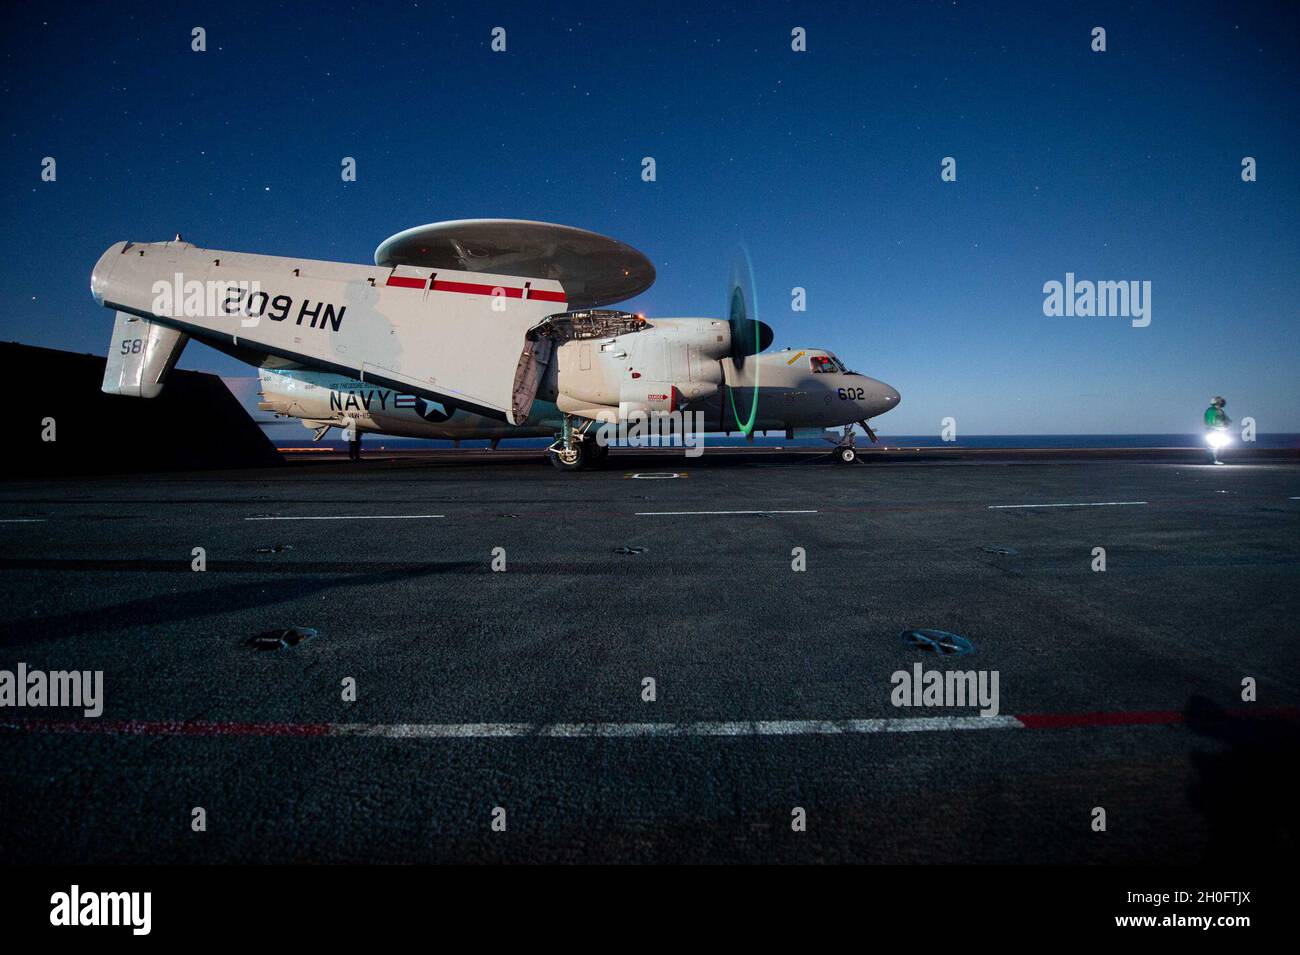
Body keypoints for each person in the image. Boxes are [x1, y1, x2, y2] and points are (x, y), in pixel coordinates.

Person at [1203, 396, 1230, 464]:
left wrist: (1225, 426)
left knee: (1216, 446)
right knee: (1212, 446)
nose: (1221, 402)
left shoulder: (1220, 411)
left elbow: (1226, 420)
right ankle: (1212, 460)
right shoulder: (1211, 410)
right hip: (1214, 430)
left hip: (1220, 430)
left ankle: (1212, 459)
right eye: (1220, 401)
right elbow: (1210, 421)